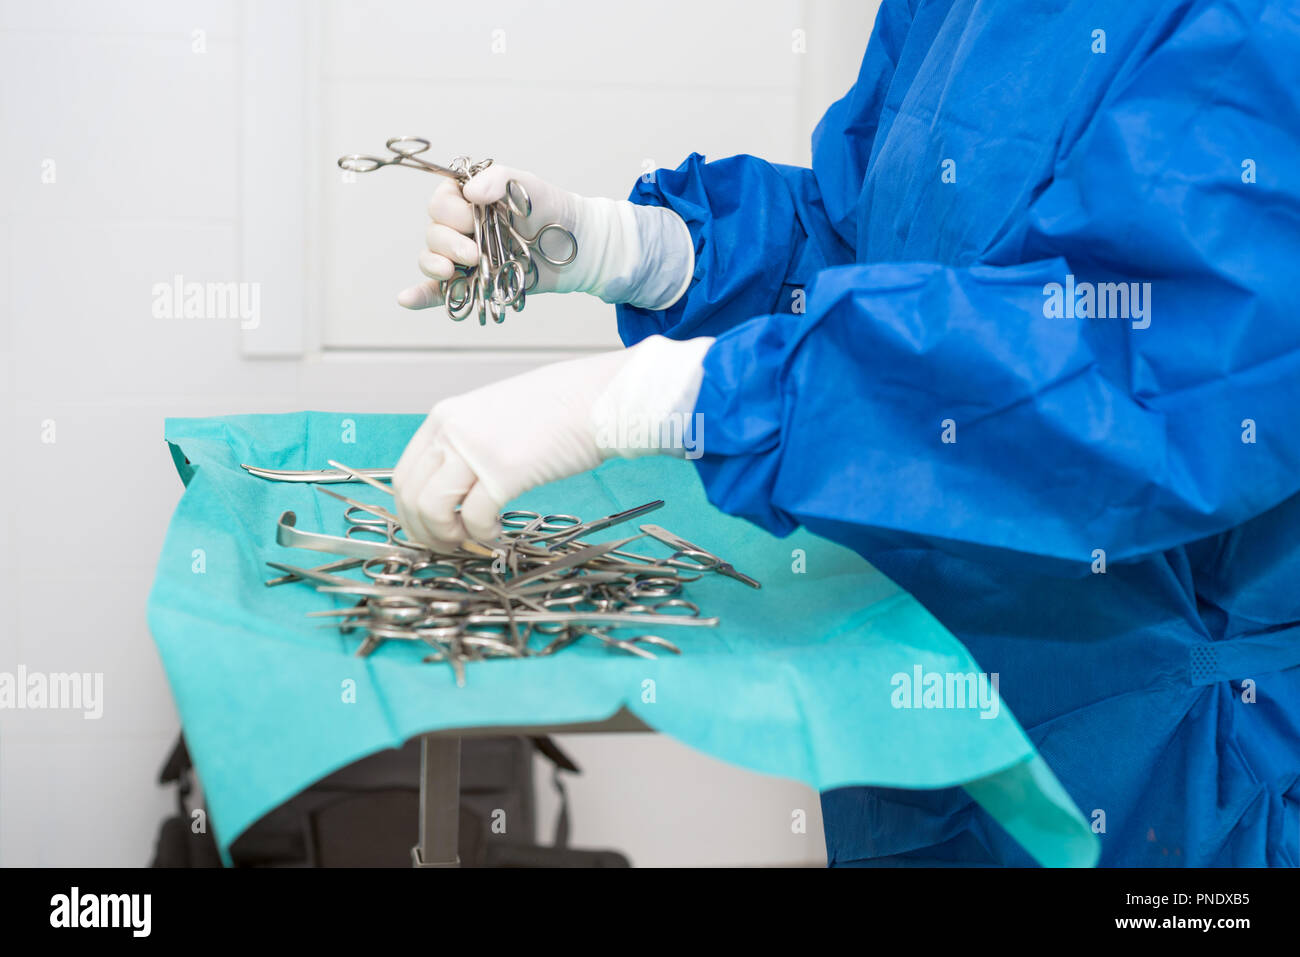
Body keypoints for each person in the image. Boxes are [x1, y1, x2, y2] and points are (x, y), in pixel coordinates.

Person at [392, 0, 1300, 866]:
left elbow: (1139, 370)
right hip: (936, 704)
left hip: (1173, 775)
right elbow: (872, 251)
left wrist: (680, 392)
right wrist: (639, 249)